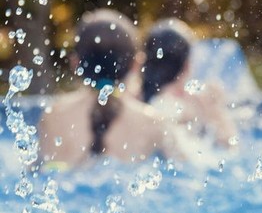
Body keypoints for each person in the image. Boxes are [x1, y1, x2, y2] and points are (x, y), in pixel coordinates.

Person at [38, 9, 183, 168]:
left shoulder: (53, 116)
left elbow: (37, 172)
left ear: (75, 63)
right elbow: (186, 169)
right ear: (136, 64)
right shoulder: (153, 123)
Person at [141, 19, 237, 147]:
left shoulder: (135, 97)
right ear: (187, 65)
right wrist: (216, 109)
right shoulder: (193, 104)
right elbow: (230, 145)